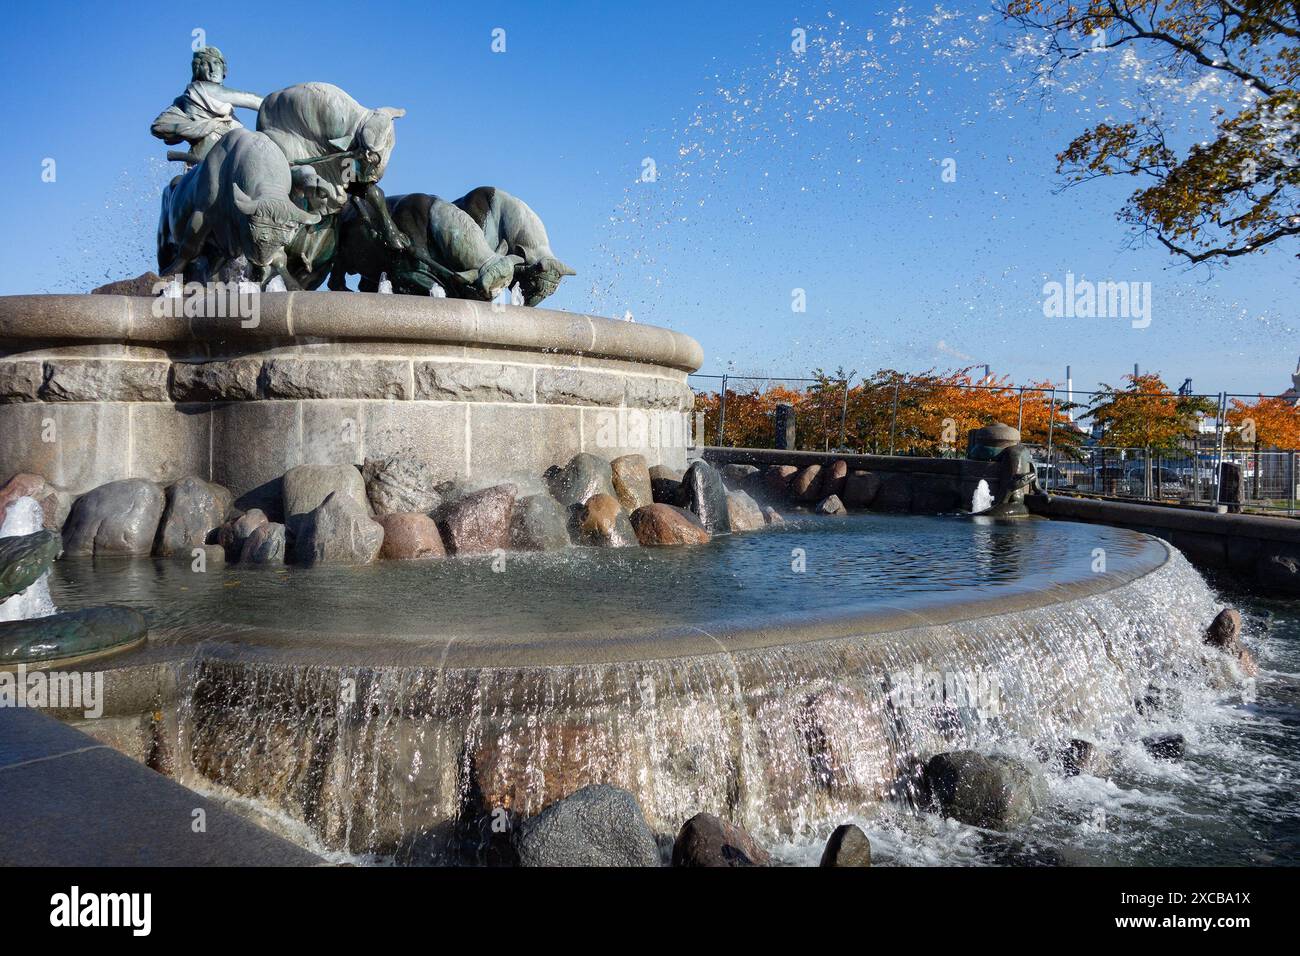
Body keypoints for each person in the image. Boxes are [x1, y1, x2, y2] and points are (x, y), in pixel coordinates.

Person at [151, 47, 263, 165]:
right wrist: (207, 127)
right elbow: (255, 101)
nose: (212, 69)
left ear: (224, 69)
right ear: (198, 69)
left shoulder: (187, 97)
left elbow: (158, 126)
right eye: (205, 64)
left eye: (216, 63)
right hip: (210, 158)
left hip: (205, 157)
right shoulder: (203, 89)